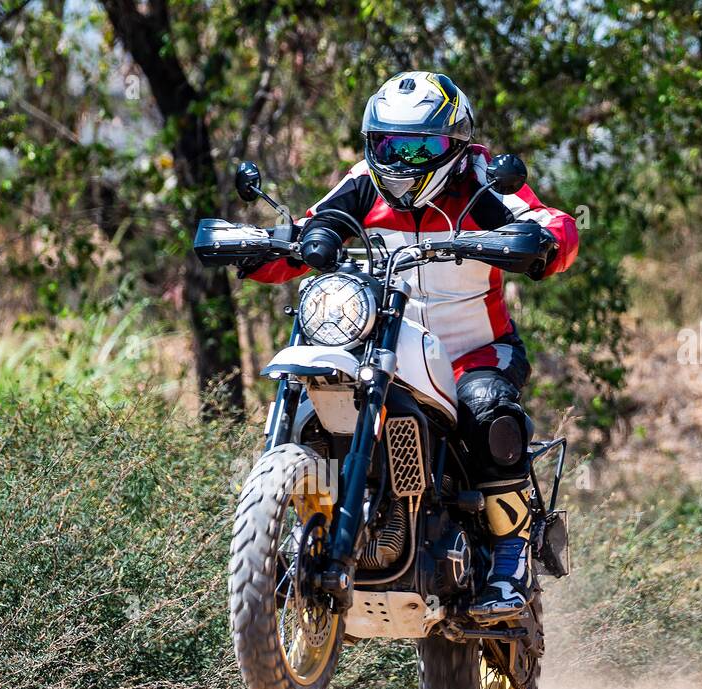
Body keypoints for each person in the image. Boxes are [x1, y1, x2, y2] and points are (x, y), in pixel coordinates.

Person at [242, 71, 579, 620]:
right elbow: (312, 228)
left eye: (424, 144)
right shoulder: (362, 183)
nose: (406, 158)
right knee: (322, 396)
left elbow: (551, 224)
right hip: (385, 348)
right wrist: (260, 247)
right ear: (373, 143)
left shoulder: (484, 182)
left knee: (486, 409)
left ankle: (509, 560)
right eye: (392, 144)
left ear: (457, 144)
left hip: (475, 349)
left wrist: (543, 241)